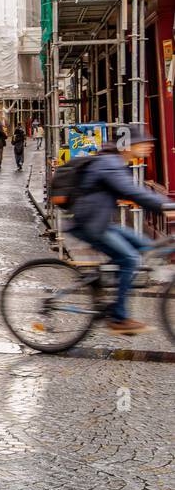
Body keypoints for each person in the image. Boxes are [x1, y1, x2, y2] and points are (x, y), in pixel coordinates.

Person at [66, 125, 175, 334]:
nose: (148, 147)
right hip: (90, 225)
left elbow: (132, 191)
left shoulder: (114, 162)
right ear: (128, 145)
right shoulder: (109, 163)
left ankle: (103, 281)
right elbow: (131, 191)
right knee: (131, 259)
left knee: (145, 246)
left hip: (100, 222)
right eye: (143, 143)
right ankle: (119, 317)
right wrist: (164, 206)